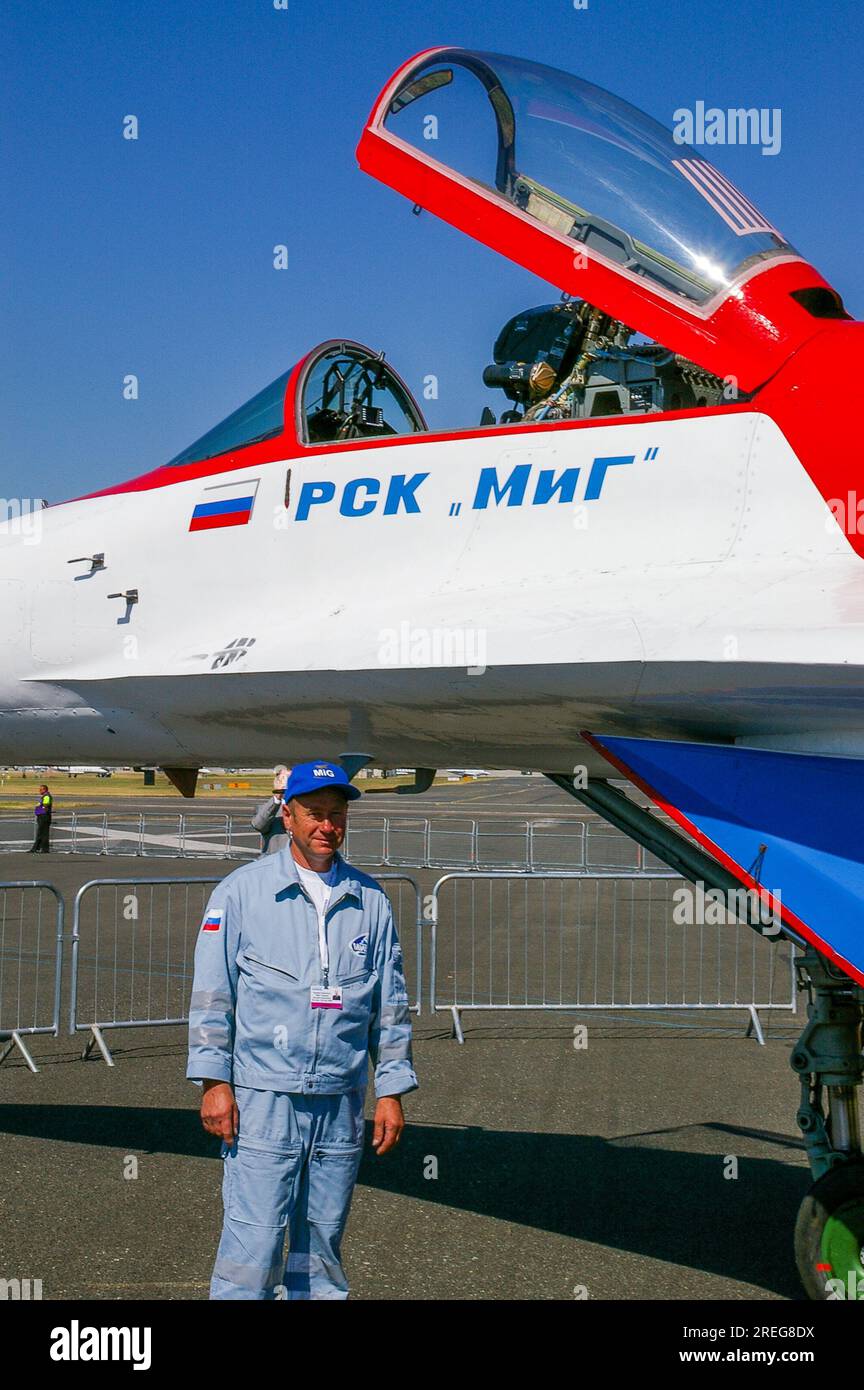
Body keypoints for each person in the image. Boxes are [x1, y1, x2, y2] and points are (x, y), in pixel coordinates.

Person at [187, 759, 418, 1300]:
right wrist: (213, 1082)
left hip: (340, 1099)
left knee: (321, 1247)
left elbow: (390, 1006)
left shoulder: (370, 901)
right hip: (264, 1096)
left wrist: (391, 1090)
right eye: (314, 813)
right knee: (255, 1242)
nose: (326, 826)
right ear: (286, 817)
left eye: (336, 815)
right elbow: (212, 996)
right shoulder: (241, 893)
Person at [250, 764, 291, 855]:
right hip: (274, 860)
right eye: (283, 779)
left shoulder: (303, 807)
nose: (286, 783)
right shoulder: (266, 808)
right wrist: (277, 797)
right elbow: (258, 825)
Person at [28, 783, 53, 853]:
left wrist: (38, 810)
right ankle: (40, 848)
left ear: (44, 790)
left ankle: (38, 848)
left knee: (42, 833)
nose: (39, 791)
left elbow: (45, 807)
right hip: (42, 816)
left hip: (44, 817)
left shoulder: (47, 797)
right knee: (42, 833)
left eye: (40, 789)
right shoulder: (44, 796)